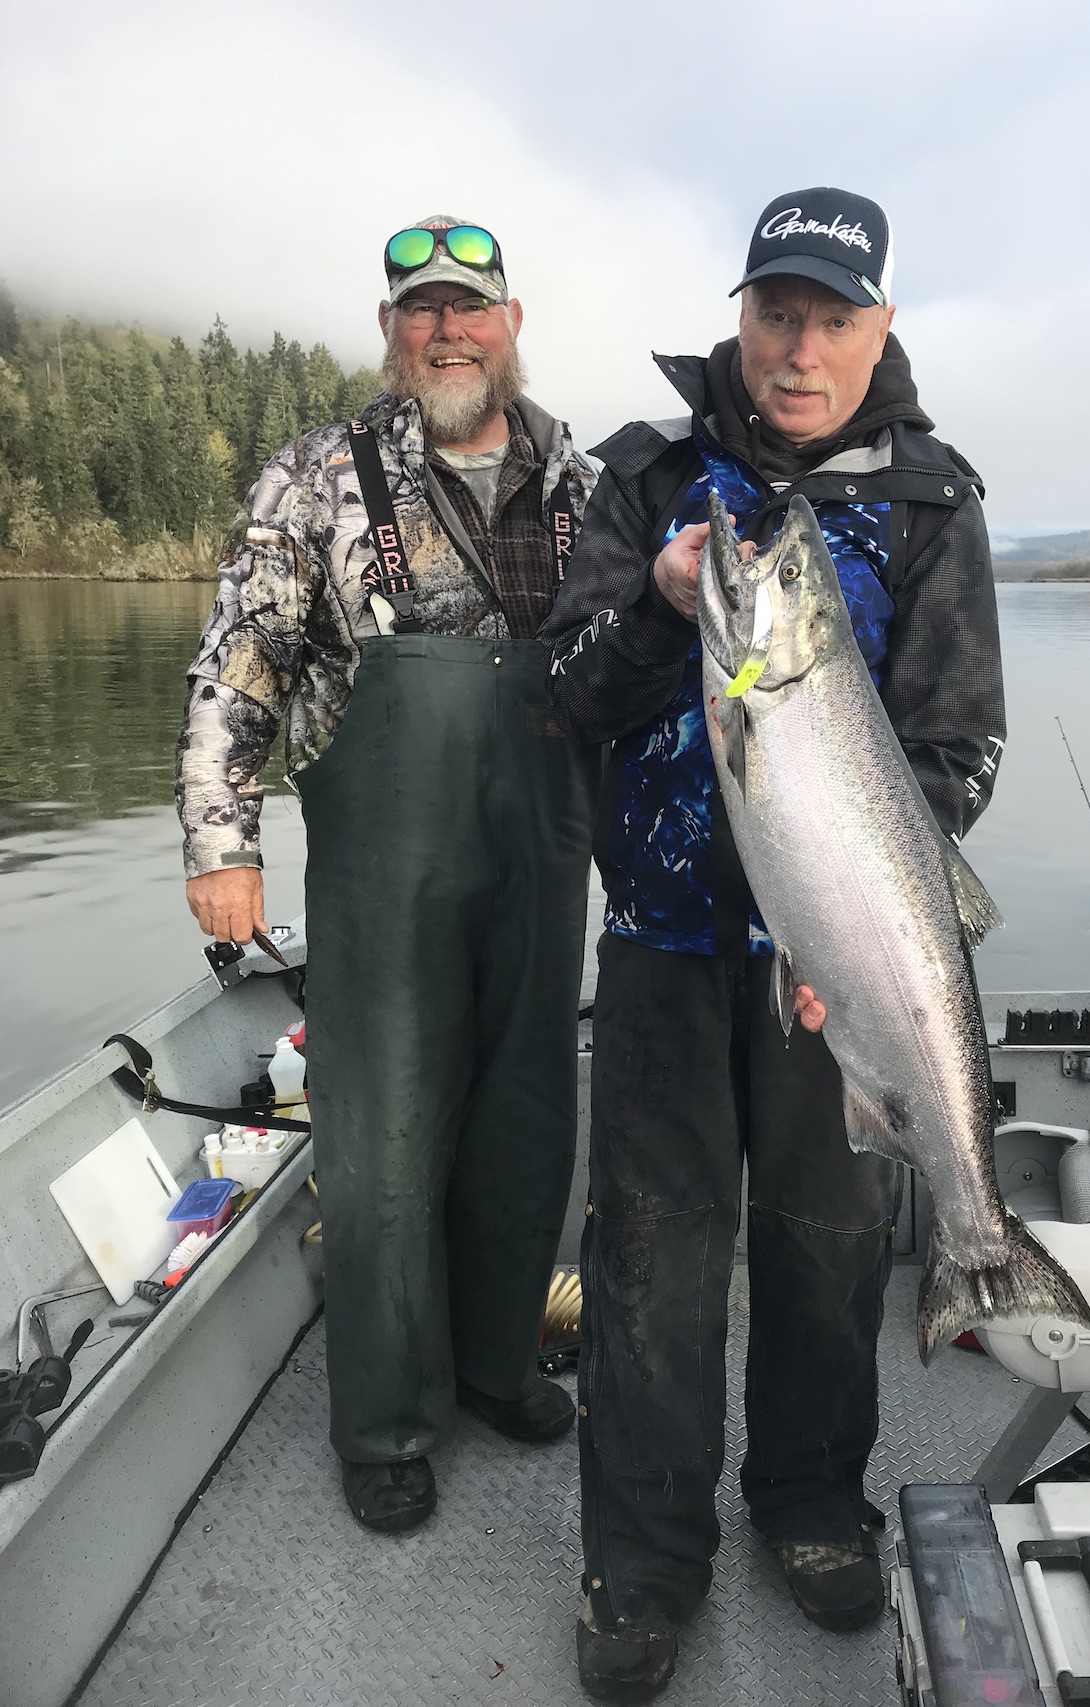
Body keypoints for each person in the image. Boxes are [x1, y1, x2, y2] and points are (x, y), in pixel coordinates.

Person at [543, 187, 1006, 1701]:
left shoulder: (934, 503)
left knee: (824, 1252)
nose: (801, 350)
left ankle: (812, 1503)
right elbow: (567, 696)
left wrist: (857, 907)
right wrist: (660, 610)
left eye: (835, 320)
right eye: (776, 316)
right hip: (668, 947)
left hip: (846, 959)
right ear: (740, 319)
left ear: (880, 330)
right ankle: (647, 1556)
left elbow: (958, 746)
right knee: (653, 1262)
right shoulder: (649, 480)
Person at [177, 215, 600, 1536]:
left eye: (468, 306)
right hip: (385, 853)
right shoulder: (318, 474)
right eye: (419, 310)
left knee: (525, 1120)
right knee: (386, 1141)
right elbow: (237, 664)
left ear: (512, 321)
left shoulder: (571, 472)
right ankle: (388, 1418)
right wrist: (220, 845)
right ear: (389, 332)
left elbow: (621, 660)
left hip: (543, 843)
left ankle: (490, 1364)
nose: (446, 330)